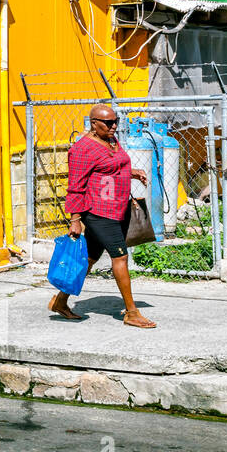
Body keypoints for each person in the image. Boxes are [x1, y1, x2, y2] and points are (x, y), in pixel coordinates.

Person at [55, 104, 155, 328]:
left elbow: (110, 166)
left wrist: (133, 172)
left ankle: (60, 301)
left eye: (115, 122)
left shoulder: (110, 140)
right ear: (94, 123)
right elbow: (75, 186)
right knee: (120, 257)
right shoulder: (82, 149)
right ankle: (131, 312)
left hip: (117, 208)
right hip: (98, 212)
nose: (114, 126)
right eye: (108, 123)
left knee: (89, 258)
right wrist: (75, 219)